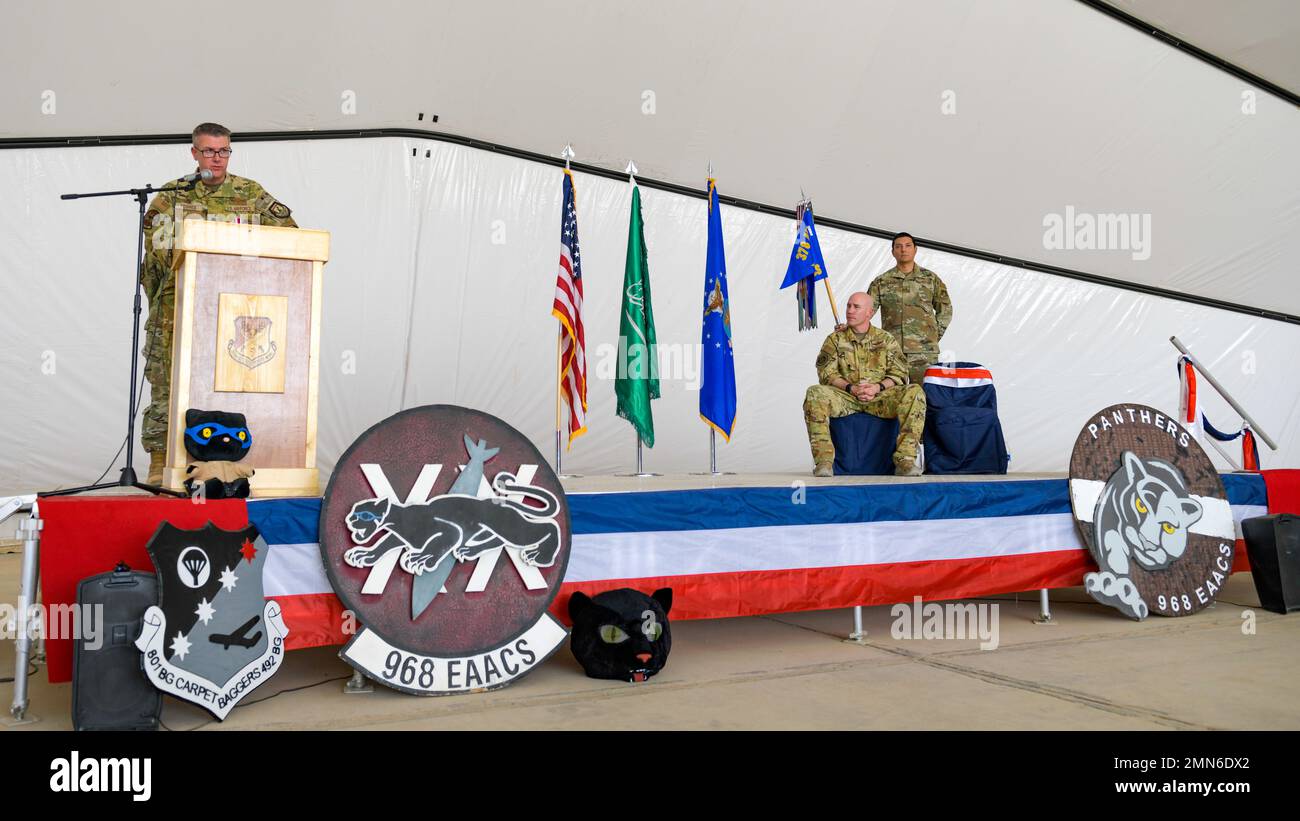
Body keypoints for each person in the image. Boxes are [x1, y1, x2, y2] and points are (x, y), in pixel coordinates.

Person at [140, 122, 297, 483]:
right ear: (194, 153)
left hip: (232, 314)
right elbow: (159, 258)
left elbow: (290, 239)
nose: (217, 157)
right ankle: (160, 465)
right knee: (166, 388)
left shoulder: (250, 193)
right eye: (209, 150)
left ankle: (233, 463)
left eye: (224, 150)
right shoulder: (172, 196)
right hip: (175, 313)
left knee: (233, 384)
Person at [804, 292, 926, 477]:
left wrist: (877, 388)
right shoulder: (835, 339)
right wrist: (851, 388)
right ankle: (824, 462)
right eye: (848, 306)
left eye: (856, 307)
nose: (850, 311)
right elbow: (827, 373)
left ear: (869, 313)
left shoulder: (886, 339)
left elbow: (900, 373)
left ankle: (905, 461)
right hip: (847, 397)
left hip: (880, 398)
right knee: (814, 393)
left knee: (915, 392)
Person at [866, 232, 952, 385]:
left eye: (908, 246)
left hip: (924, 352)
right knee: (892, 396)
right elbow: (866, 310)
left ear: (915, 249)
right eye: (898, 247)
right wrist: (850, 326)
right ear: (893, 252)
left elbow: (945, 309)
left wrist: (932, 335)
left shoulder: (930, 279)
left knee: (925, 395)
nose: (903, 250)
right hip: (892, 350)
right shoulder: (882, 281)